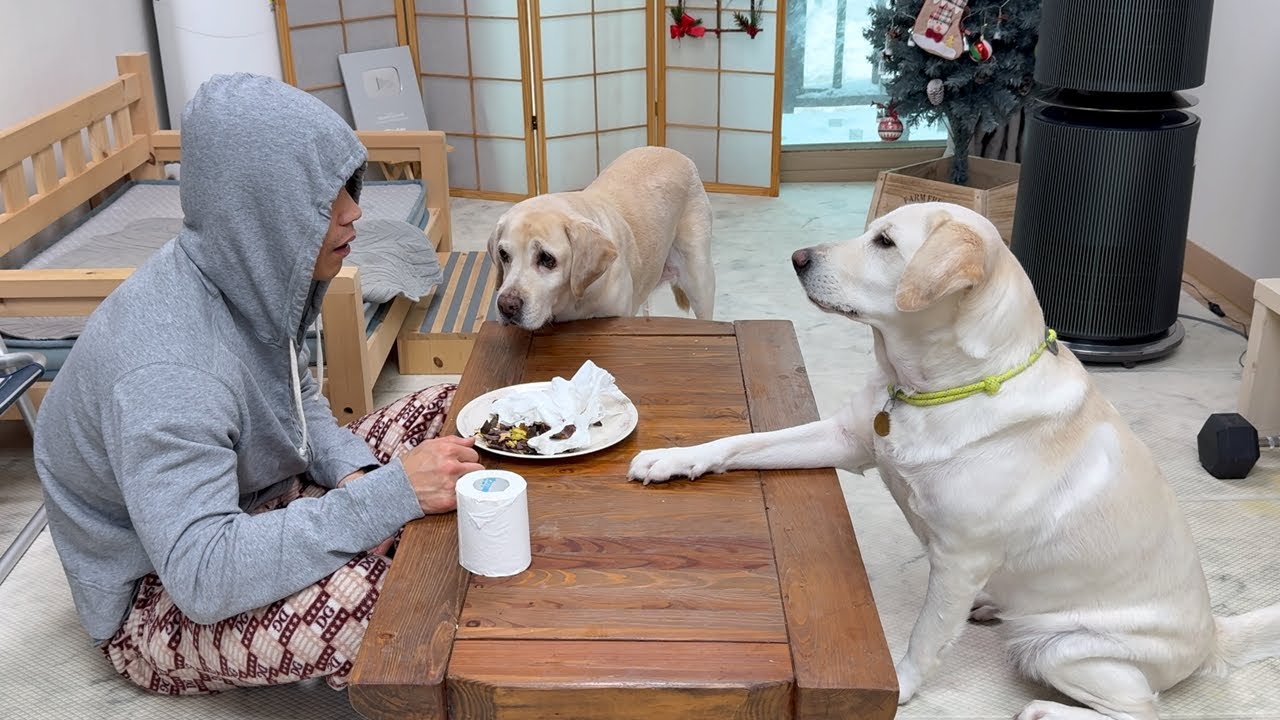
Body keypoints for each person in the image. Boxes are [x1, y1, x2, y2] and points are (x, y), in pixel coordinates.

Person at [32, 72, 484, 695]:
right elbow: (205, 575)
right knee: (406, 599)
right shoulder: (168, 371)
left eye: (348, 189)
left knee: (456, 410)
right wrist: (380, 502)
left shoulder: (245, 276)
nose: (356, 214)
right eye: (328, 201)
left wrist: (356, 477)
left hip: (254, 495)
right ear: (265, 212)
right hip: (160, 595)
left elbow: (300, 400)